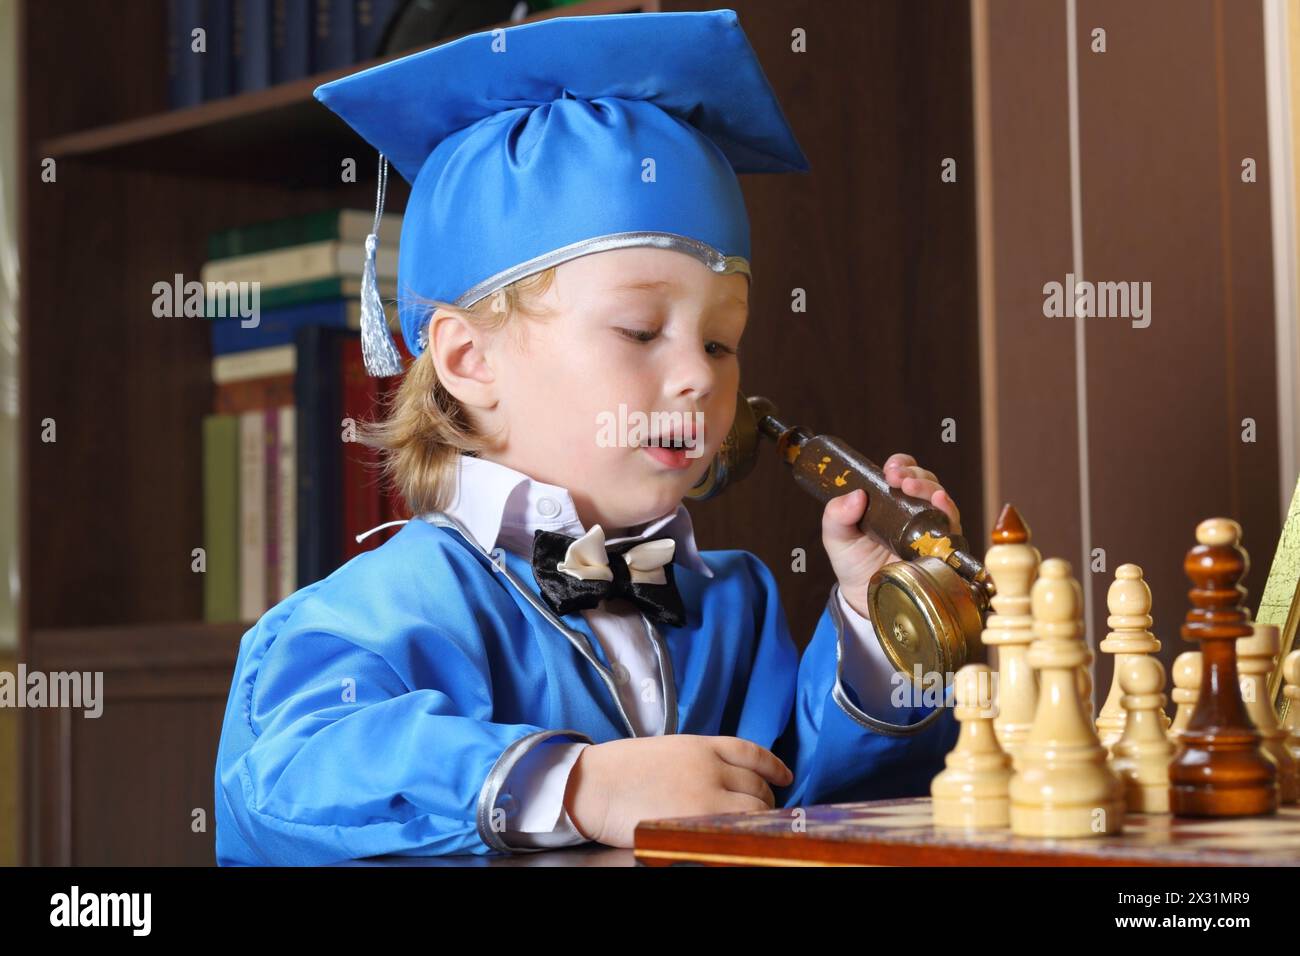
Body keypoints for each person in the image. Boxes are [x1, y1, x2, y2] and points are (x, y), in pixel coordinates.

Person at [214, 8, 962, 866]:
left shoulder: (733, 607)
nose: (700, 376)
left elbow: (819, 811)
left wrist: (877, 628)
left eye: (721, 341)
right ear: (469, 357)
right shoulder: (380, 613)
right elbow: (286, 783)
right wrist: (577, 784)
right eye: (641, 331)